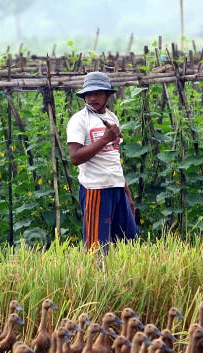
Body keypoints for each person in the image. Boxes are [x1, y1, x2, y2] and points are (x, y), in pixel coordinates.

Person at [66, 71, 137, 250]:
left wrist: (126, 192)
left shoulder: (112, 118)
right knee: (96, 247)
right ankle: (96, 278)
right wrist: (104, 139)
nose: (92, 98)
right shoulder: (79, 121)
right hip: (96, 189)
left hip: (116, 188)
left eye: (97, 93)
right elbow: (75, 157)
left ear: (107, 95)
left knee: (127, 243)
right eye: (88, 94)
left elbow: (113, 157)